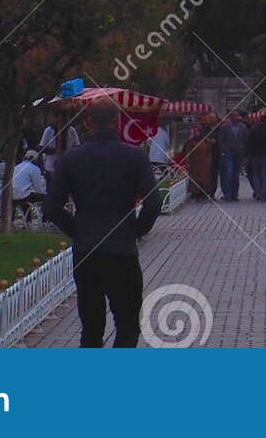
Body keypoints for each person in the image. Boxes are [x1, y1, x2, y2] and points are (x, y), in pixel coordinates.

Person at [44, 96, 163, 348]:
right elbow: (153, 203)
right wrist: (135, 230)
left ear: (88, 122)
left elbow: (52, 208)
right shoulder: (134, 157)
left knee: (91, 327)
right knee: (127, 325)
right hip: (122, 250)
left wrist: (77, 230)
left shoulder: (71, 159)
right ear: (118, 122)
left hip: (87, 251)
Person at [216, 109, 248, 201]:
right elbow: (221, 139)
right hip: (228, 152)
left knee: (236, 174)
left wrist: (245, 153)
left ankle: (235, 194)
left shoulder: (243, 127)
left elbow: (246, 140)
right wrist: (223, 149)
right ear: (230, 117)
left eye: (236, 115)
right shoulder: (225, 127)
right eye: (233, 115)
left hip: (239, 153)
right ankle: (228, 194)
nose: (235, 117)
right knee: (229, 173)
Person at [178, 122, 215, 200]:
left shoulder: (206, 141)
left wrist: (209, 162)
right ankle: (195, 193)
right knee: (194, 179)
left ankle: (204, 193)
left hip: (204, 164)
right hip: (194, 164)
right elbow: (187, 153)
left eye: (197, 131)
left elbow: (209, 153)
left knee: (204, 179)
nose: (196, 133)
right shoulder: (190, 142)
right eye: (194, 131)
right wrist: (188, 162)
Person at [247, 112, 266, 200]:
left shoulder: (254, 129)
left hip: (255, 156)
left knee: (256, 175)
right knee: (265, 174)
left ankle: (257, 194)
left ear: (259, 120)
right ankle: (264, 194)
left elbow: (248, 142)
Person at [11, 150, 47, 221]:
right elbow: (38, 188)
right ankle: (45, 221)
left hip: (13, 194)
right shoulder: (35, 169)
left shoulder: (17, 167)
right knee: (47, 198)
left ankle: (14, 222)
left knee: (26, 200)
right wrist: (45, 193)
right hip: (24, 195)